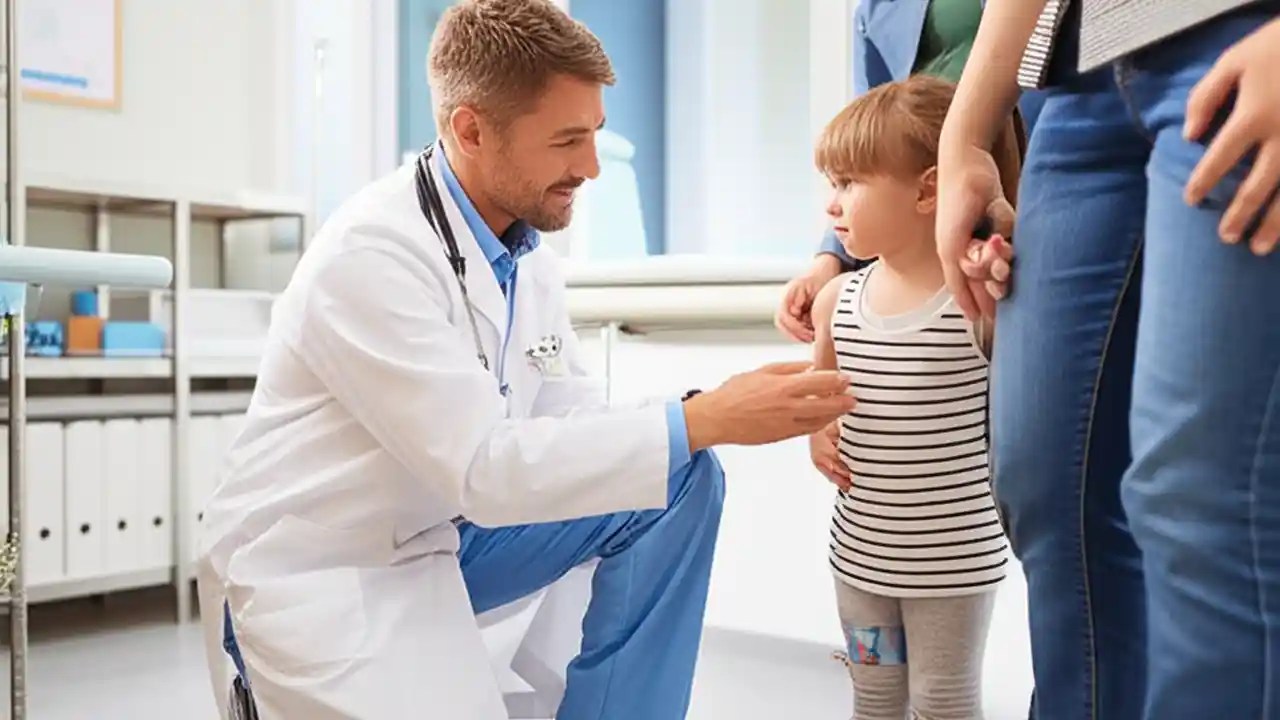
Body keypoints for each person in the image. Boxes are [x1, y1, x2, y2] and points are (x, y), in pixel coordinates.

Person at [193, 2, 856, 718]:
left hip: (445, 534)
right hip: (327, 566)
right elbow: (483, 467)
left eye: (596, 134)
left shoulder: (519, 249)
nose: (593, 166)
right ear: (471, 129)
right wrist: (703, 417)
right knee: (684, 443)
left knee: (682, 478)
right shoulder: (369, 257)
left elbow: (567, 418)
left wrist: (708, 411)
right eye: (568, 140)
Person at [936, 0, 1280, 718]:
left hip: (1238, 39)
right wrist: (967, 131)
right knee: (1048, 488)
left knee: (1204, 502)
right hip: (1075, 74)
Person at [807, 75, 1022, 720]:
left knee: (943, 701)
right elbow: (824, 399)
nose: (832, 205)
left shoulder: (980, 305)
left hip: (953, 571)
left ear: (929, 189)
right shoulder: (835, 302)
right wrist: (819, 432)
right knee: (873, 697)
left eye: (849, 184)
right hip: (860, 563)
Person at [776, 0, 1042, 345]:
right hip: (946, 226)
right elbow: (863, 152)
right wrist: (831, 258)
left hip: (1041, 196)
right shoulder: (874, 11)